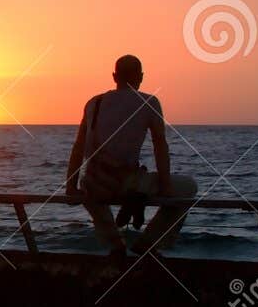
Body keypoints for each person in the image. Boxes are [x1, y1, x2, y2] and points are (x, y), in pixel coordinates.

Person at [65, 54, 196, 257]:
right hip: (125, 182)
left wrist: (70, 186)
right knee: (188, 188)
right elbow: (160, 146)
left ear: (114, 76)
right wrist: (166, 185)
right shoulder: (149, 102)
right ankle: (148, 242)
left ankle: (115, 245)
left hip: (95, 182)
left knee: (88, 190)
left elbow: (78, 146)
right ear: (141, 77)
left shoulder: (93, 103)